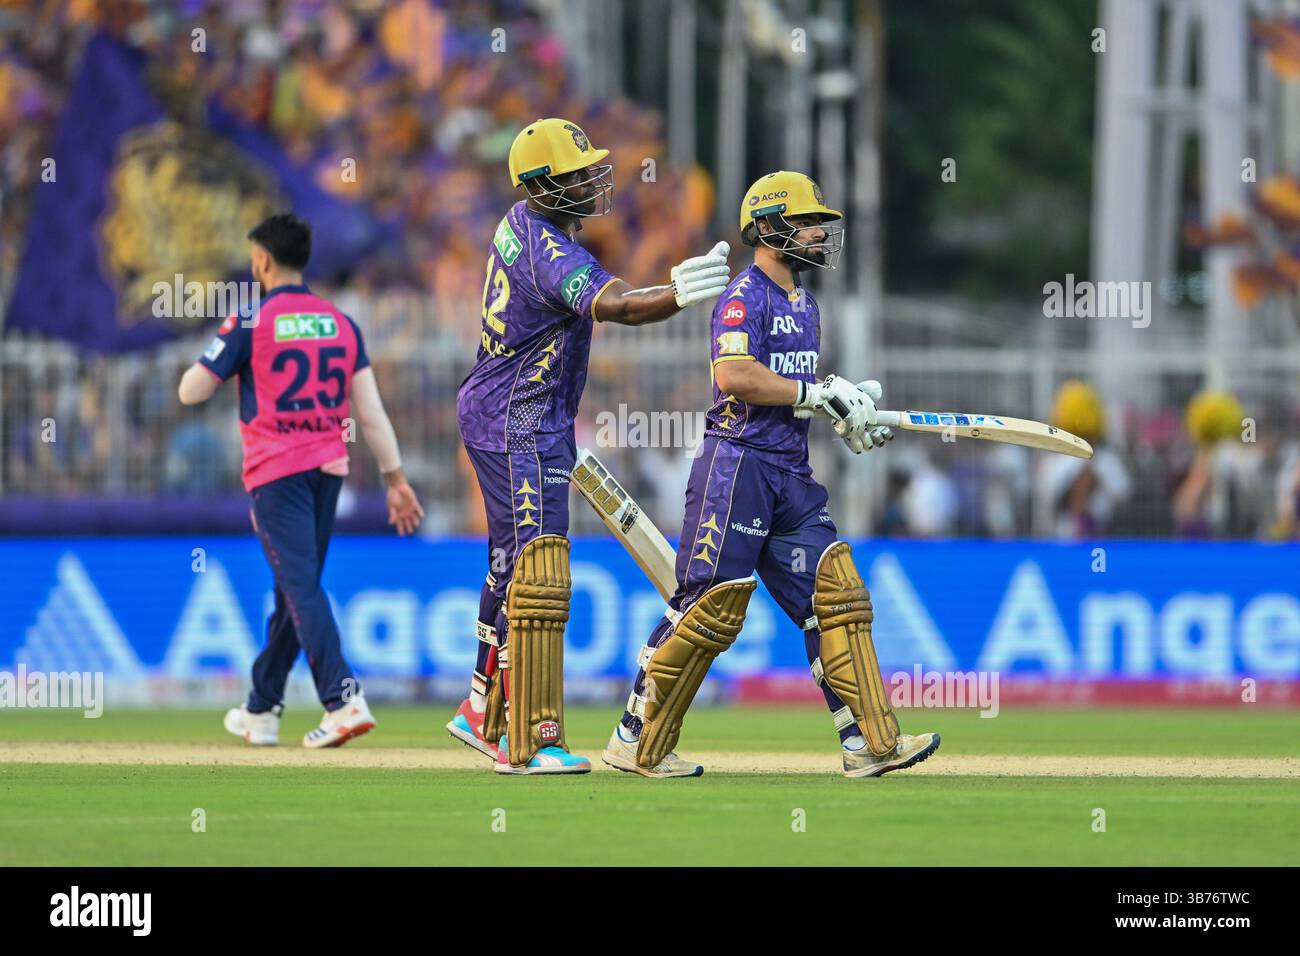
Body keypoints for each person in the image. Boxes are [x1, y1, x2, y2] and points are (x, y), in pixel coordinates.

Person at [600, 171, 941, 779]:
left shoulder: (805, 304)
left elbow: (796, 391)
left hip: (791, 472)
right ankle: (634, 736)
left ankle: (866, 743)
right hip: (738, 467)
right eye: (808, 221)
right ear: (768, 228)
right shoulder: (744, 296)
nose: (818, 232)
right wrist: (815, 393)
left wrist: (847, 409)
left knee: (835, 599)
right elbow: (734, 375)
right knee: (707, 608)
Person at [449, 117, 732, 774]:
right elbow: (621, 306)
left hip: (501, 412)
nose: (589, 181)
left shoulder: (518, 223)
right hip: (521, 423)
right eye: (574, 175)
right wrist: (677, 294)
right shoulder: (550, 251)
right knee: (539, 572)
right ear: (542, 186)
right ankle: (532, 739)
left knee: (511, 561)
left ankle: (478, 705)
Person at [178, 213, 424, 748]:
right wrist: (395, 479)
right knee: (294, 584)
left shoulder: (251, 320)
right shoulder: (340, 322)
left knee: (300, 584)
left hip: (275, 472)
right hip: (328, 470)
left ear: (262, 259)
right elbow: (373, 413)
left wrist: (218, 360)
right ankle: (262, 708)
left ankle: (342, 700)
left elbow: (190, 392)